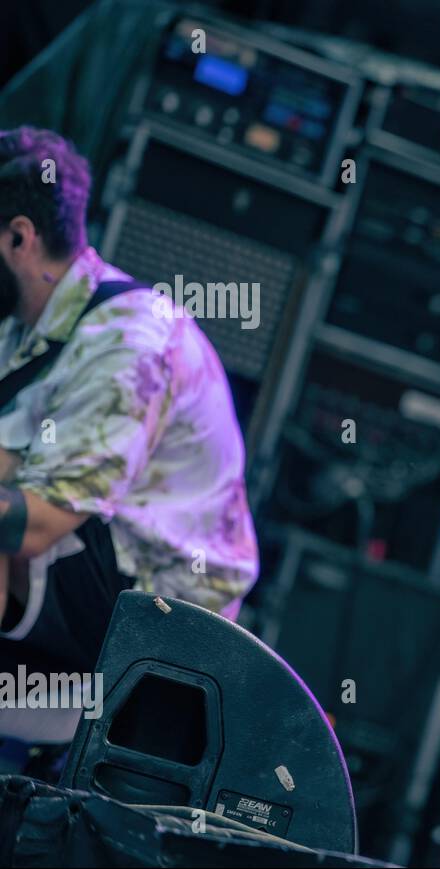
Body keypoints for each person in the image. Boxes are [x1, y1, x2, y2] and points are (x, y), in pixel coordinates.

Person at [0, 126, 258, 723]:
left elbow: (35, 526)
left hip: (167, 619)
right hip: (100, 560)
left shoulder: (132, 345)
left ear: (20, 239)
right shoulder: (25, 319)